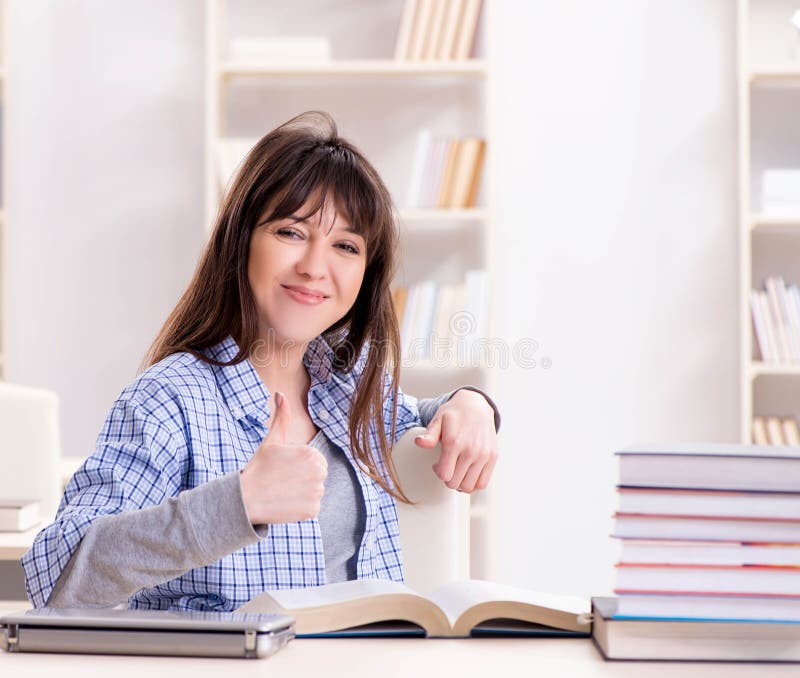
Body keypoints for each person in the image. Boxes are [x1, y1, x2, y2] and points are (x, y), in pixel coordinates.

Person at [22, 111, 500, 612]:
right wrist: (237, 504)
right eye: (291, 232)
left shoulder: (349, 388)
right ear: (242, 239)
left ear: (365, 275)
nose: (315, 267)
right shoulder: (171, 399)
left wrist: (472, 404)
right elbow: (57, 581)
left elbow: (426, 414)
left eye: (345, 245)